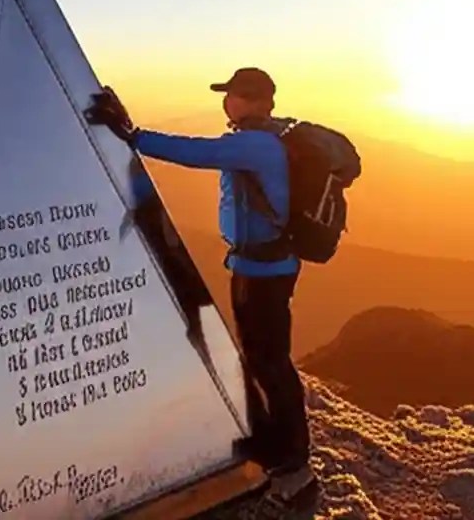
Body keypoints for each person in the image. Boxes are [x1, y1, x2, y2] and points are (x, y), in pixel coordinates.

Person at [85, 67, 316, 502]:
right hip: (264, 265)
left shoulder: (253, 144)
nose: (225, 102)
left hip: (262, 272)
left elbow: (194, 153)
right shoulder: (270, 138)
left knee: (269, 360)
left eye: (230, 95)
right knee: (266, 357)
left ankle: (290, 454)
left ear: (248, 99)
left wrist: (133, 136)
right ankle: (277, 441)